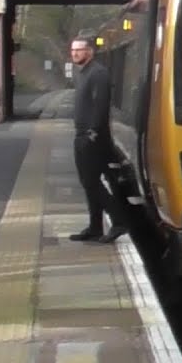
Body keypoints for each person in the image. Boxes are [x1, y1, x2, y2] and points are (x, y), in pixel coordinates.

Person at [67, 37, 128, 243]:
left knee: (92, 182)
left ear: (90, 52)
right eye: (73, 50)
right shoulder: (83, 73)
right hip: (82, 134)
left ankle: (119, 221)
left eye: (80, 50)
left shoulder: (98, 73)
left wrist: (92, 131)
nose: (75, 53)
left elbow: (101, 105)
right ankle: (95, 226)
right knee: (88, 182)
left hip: (92, 137)